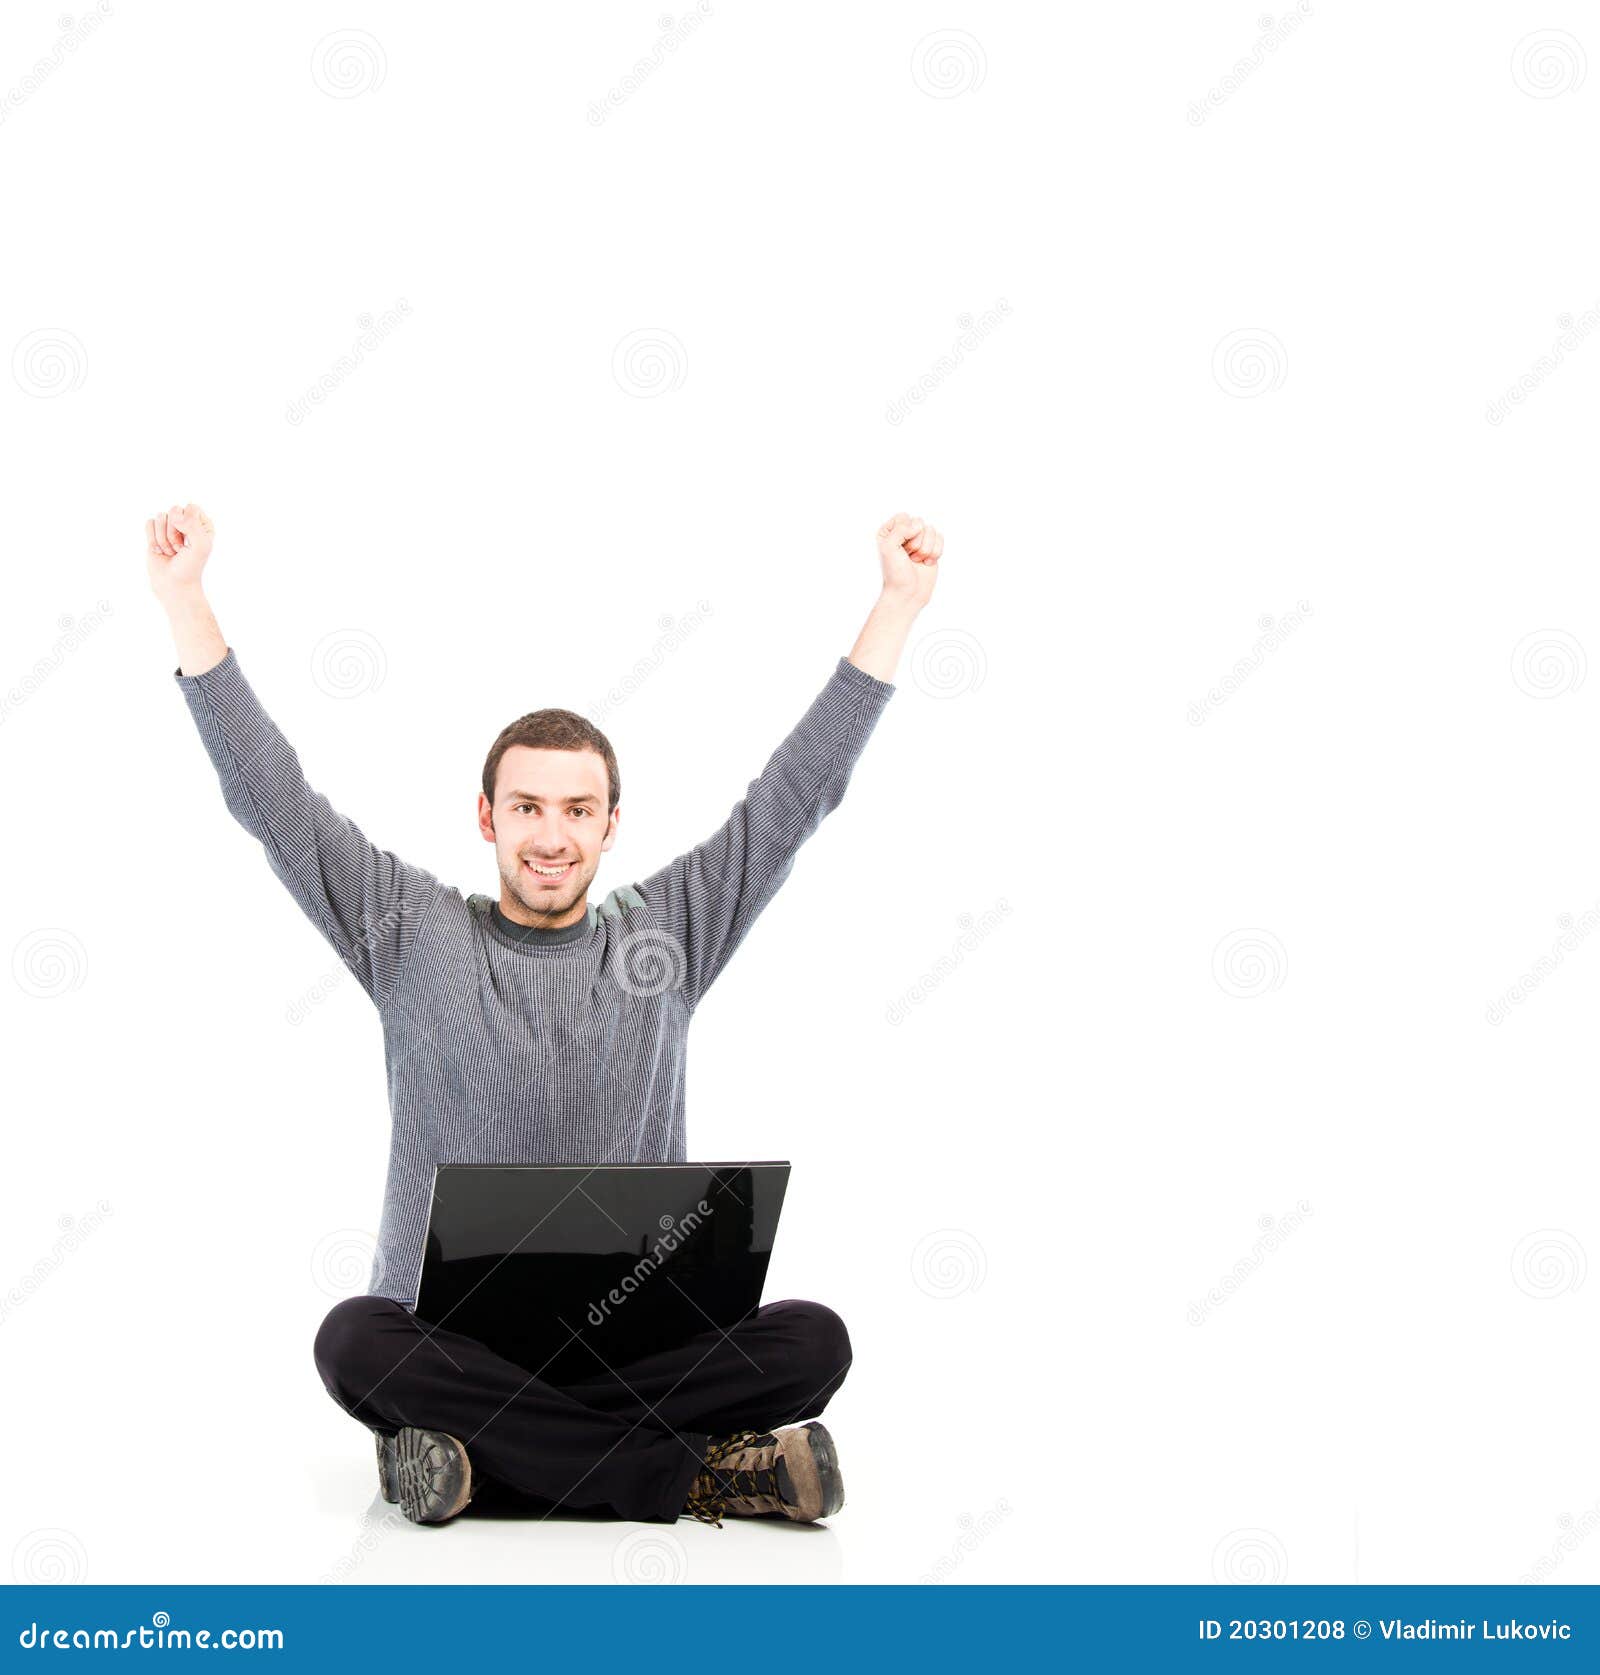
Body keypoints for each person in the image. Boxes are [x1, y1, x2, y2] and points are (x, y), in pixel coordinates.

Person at [146, 502, 944, 1527]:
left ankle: (478, 1458)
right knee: (352, 1339)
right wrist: (186, 602)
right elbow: (270, 797)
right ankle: (697, 1472)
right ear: (488, 818)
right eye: (527, 807)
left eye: (577, 810)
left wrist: (896, 605)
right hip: (451, 1340)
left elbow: (797, 796)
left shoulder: (671, 931)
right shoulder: (407, 932)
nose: (551, 836)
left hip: (636, 1340)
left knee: (814, 1340)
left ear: (613, 824)